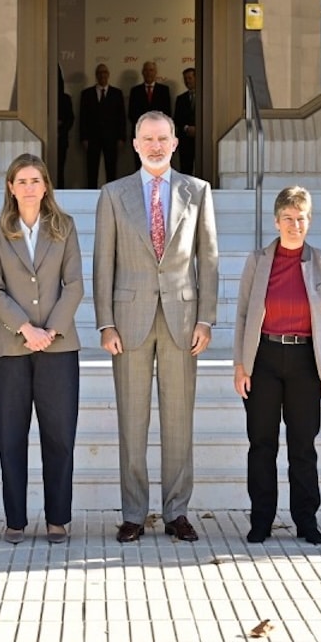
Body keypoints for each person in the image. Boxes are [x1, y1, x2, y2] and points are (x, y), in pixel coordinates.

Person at [93, 110, 219, 543]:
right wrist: (105, 322)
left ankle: (177, 512)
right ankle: (133, 514)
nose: (155, 145)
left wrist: (206, 317)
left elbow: (210, 258)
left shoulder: (198, 191)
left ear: (174, 143)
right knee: (132, 421)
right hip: (128, 323)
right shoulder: (112, 194)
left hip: (183, 321)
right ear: (134, 143)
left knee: (178, 422)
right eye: (147, 138)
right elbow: (102, 263)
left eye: (163, 138)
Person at [0, 153, 84, 545]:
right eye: (21, 181)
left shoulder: (64, 227)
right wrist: (25, 329)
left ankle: (58, 518)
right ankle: (16, 520)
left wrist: (49, 331)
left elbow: (74, 284)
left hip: (58, 348)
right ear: (10, 186)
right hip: (10, 346)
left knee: (59, 435)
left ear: (45, 187)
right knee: (10, 435)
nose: (28, 187)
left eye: (35, 180)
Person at [233, 186, 321, 546]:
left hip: (305, 361)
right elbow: (244, 314)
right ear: (276, 221)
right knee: (261, 443)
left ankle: (306, 520)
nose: (295, 225)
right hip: (263, 357)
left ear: (309, 221)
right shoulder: (258, 260)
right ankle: (261, 520)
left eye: (302, 218)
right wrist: (241, 365)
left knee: (302, 444)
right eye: (289, 218)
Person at [79, 63, 127, 188]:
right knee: (91, 170)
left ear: (108, 75)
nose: (102, 75)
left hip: (112, 138)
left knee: (111, 169)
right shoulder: (86, 94)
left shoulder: (117, 93)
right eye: (100, 73)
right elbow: (83, 117)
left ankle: (111, 196)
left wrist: (121, 137)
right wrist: (83, 138)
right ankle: (91, 195)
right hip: (92, 138)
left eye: (105, 72)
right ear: (96, 75)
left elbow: (121, 117)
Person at [127, 61, 173, 170]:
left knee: (160, 165)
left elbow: (167, 113)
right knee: (140, 164)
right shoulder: (135, 91)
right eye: (146, 70)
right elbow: (131, 113)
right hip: (141, 135)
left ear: (156, 73)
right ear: (142, 73)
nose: (149, 73)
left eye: (151, 70)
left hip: (160, 136)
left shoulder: (164, 90)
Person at [173, 67, 197, 173]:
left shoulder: (206, 97)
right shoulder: (180, 99)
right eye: (185, 79)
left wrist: (197, 129)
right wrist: (187, 128)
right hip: (185, 140)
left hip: (201, 140)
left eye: (190, 78)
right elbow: (177, 119)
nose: (187, 81)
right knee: (185, 170)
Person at [57, 66, 75, 189]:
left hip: (61, 139)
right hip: (45, 140)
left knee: (60, 169)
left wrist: (60, 128)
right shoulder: (42, 99)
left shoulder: (65, 99)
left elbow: (70, 119)